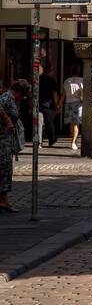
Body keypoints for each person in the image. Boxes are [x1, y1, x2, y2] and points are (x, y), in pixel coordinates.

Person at [0, 80, 31, 212]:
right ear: (18, 91)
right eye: (22, 95)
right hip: (2, 140)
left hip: (6, 140)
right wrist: (7, 120)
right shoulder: (6, 97)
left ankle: (3, 200)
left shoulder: (12, 99)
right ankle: (3, 201)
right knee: (3, 168)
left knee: (6, 170)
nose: (22, 99)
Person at [38, 60, 61, 148]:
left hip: (39, 104)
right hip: (48, 106)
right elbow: (54, 94)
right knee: (49, 123)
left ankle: (39, 142)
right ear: (51, 71)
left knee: (39, 124)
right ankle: (51, 139)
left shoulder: (39, 79)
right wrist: (57, 105)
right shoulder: (52, 81)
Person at [62, 64, 84, 151]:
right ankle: (73, 142)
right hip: (77, 103)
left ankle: (73, 140)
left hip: (68, 103)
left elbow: (63, 94)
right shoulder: (82, 80)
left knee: (72, 123)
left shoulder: (67, 81)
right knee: (76, 124)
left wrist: (59, 104)